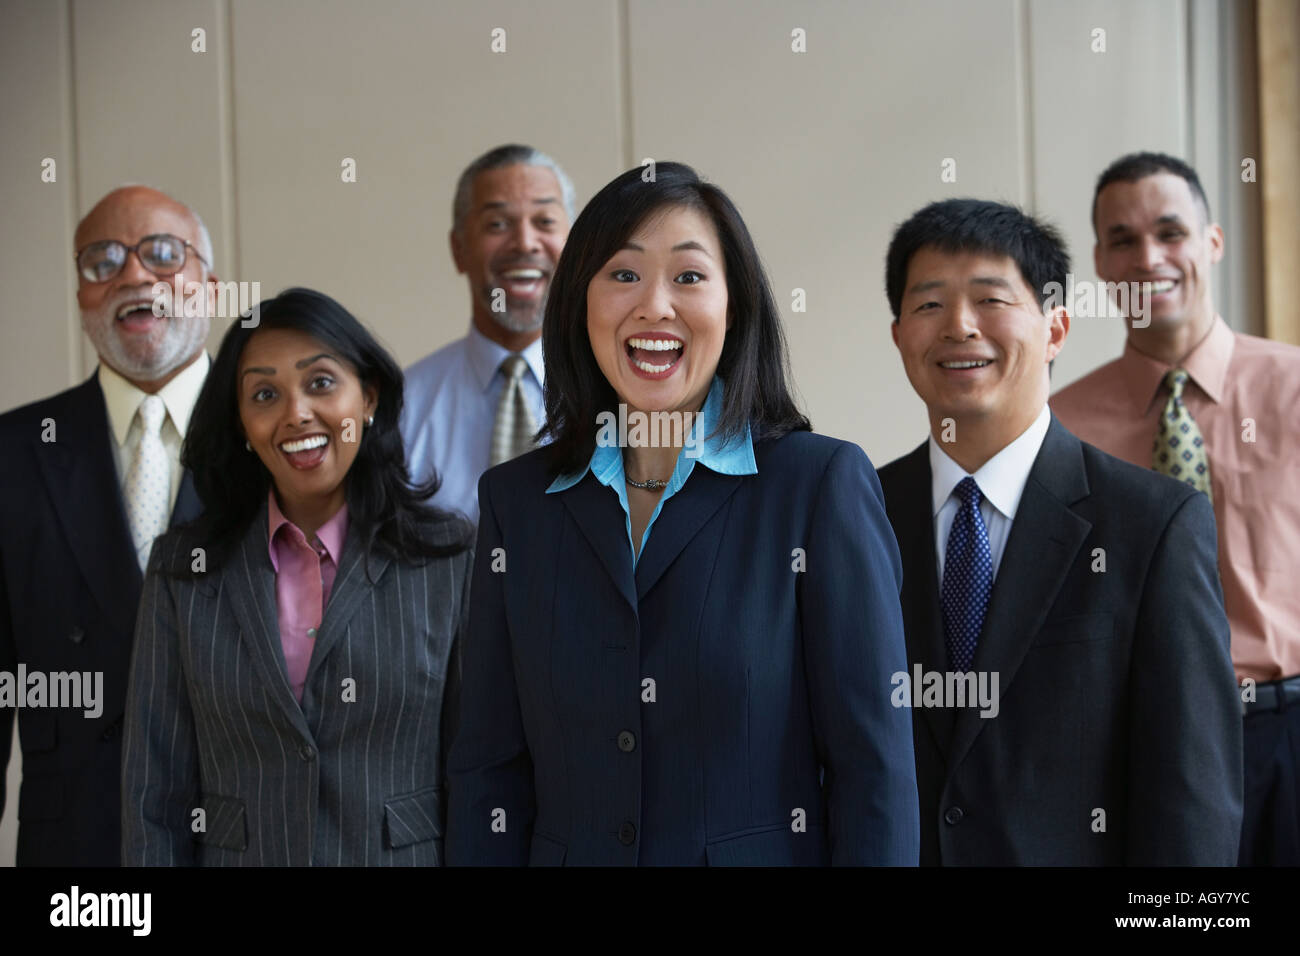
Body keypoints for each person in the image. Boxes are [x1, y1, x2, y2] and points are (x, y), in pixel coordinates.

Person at [446, 162, 919, 866]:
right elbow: (487, 767)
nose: (656, 307)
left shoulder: (817, 486)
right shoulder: (516, 503)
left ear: (735, 308)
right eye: (624, 275)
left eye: (690, 277)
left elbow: (872, 773)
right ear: (579, 303)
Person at [878, 198, 1242, 865]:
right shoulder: (858, 515)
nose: (959, 326)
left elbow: (1193, 796)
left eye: (991, 300)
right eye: (929, 305)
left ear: (1055, 330)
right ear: (899, 335)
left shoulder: (1153, 525)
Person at [121, 288, 473, 865]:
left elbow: (477, 775)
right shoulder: (183, 568)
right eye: (265, 393)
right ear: (241, 422)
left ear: (369, 398)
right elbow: (153, 793)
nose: (296, 414)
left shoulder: (450, 558)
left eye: (321, 383)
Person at [1050, 152, 1300, 866]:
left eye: (1171, 232)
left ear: (1212, 242)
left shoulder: (1295, 387)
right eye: (1122, 240)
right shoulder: (1058, 428)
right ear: (1099, 260)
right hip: (1148, 747)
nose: (1148, 258)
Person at [0, 185, 215, 866]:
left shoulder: (277, 440)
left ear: (208, 285)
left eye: (161, 254)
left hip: (246, 838)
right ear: (82, 299)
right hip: (77, 850)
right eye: (102, 262)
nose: (132, 275)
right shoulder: (14, 450)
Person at [400, 144, 574, 524]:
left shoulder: (621, 399)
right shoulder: (402, 410)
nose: (525, 243)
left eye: (545, 221)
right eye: (497, 224)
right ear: (458, 249)